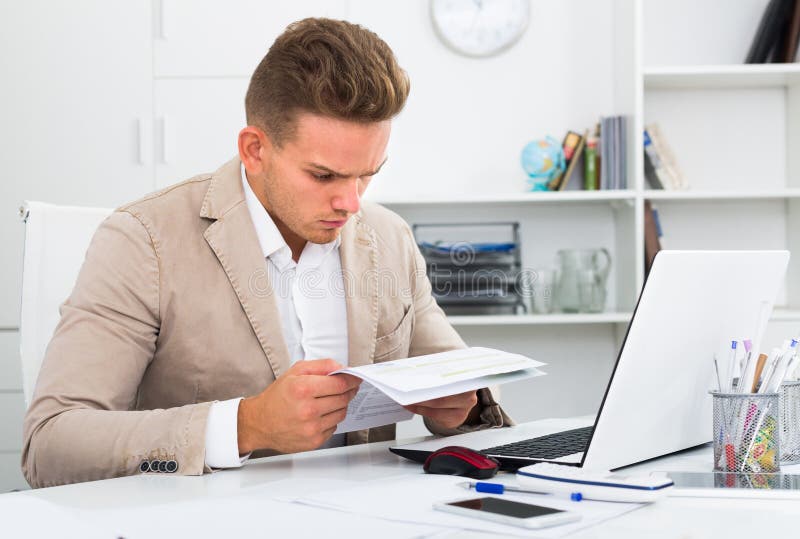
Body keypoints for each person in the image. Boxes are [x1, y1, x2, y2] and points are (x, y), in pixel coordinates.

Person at [22, 17, 510, 489]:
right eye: (323, 176)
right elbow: (51, 447)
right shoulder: (142, 240)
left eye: (367, 173)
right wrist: (244, 426)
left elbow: (460, 385)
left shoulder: (388, 236)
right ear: (255, 149)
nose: (351, 202)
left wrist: (459, 407)